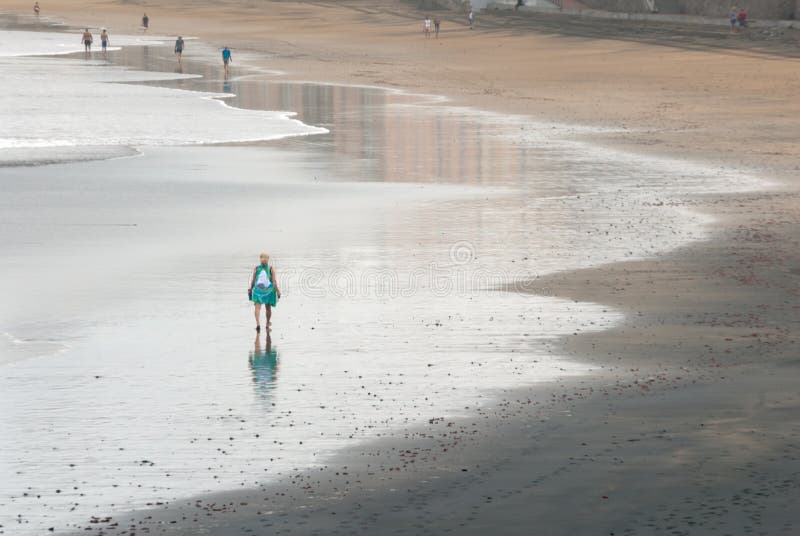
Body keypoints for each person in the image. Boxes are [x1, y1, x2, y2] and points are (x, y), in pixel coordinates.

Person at [248, 253, 280, 331]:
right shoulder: (271, 269)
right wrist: (278, 291)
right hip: (268, 291)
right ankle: (267, 324)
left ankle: (258, 324)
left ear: (260, 259)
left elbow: (253, 280)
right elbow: (274, 281)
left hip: (257, 290)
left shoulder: (256, 268)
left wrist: (251, 289)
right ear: (268, 259)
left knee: (257, 307)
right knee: (268, 308)